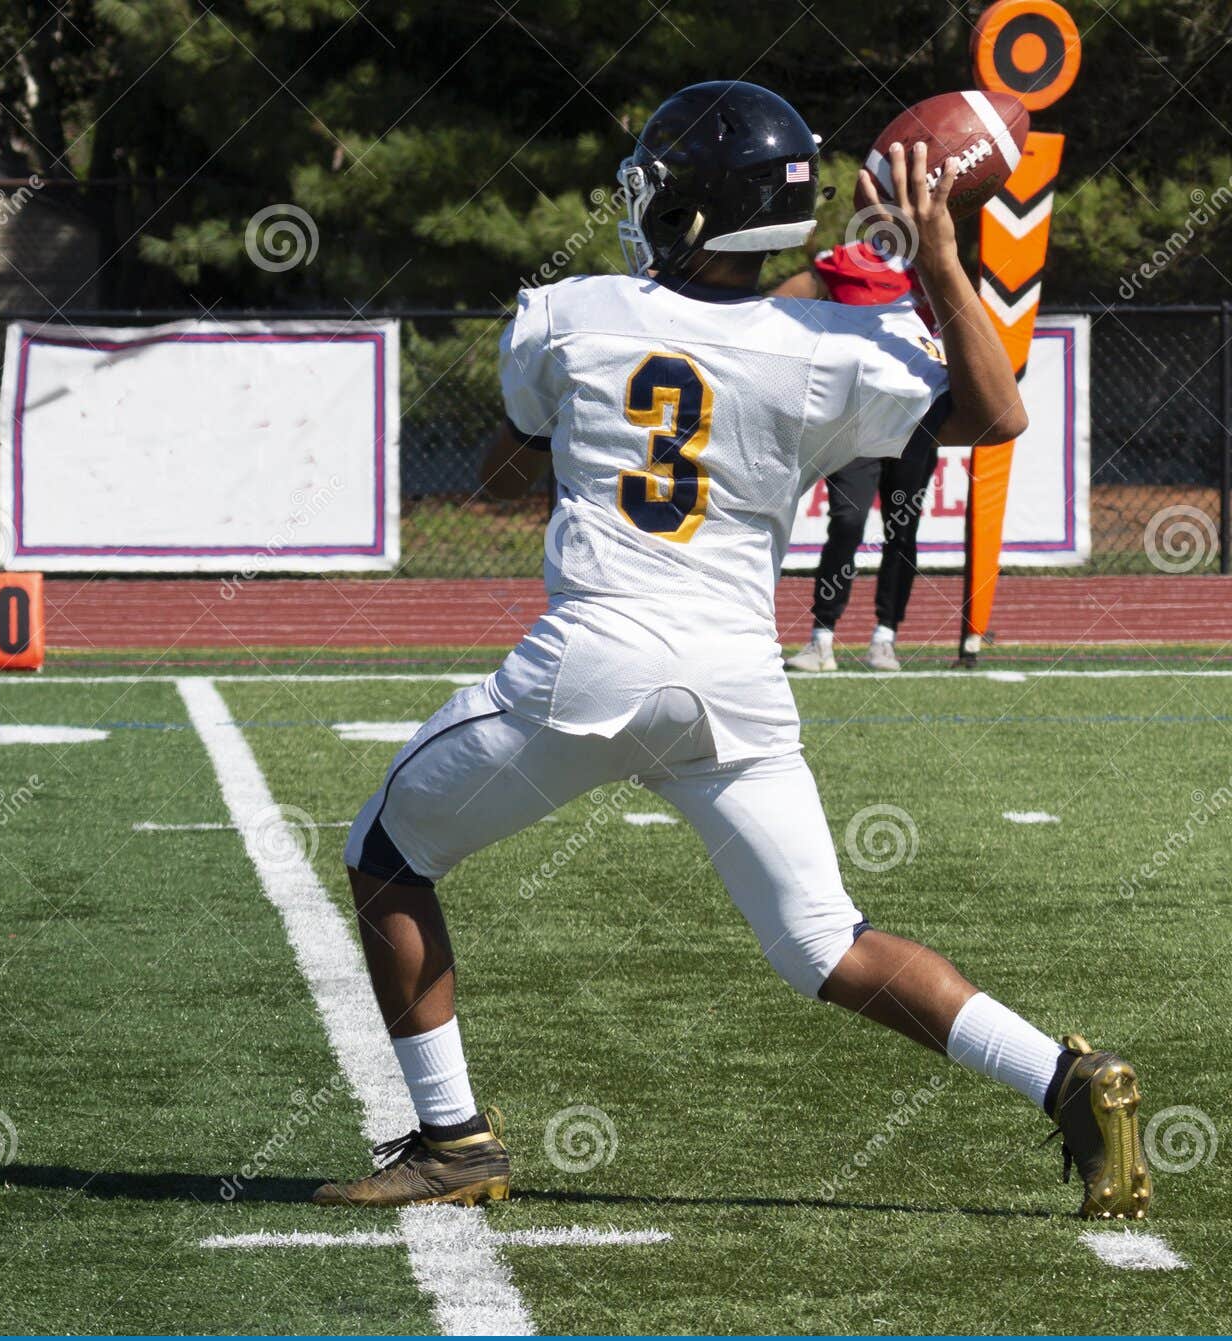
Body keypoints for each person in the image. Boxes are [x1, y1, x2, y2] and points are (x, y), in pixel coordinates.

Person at [312, 81, 1151, 1222]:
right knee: (825, 945)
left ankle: (452, 1137)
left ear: (688, 211)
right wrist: (941, 250)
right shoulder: (835, 346)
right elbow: (996, 414)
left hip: (592, 665)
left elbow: (505, 474)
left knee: (386, 856)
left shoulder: (570, 311)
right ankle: (1061, 1079)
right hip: (735, 684)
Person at [775, 245, 939, 672]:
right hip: (856, 418)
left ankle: (885, 636)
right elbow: (789, 295)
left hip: (913, 418)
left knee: (901, 531)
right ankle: (821, 638)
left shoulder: (934, 260)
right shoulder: (847, 259)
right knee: (846, 522)